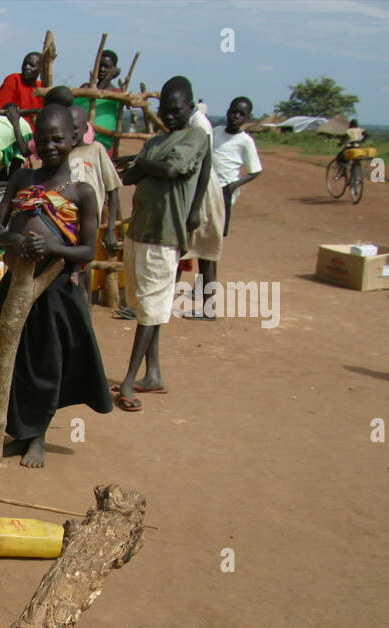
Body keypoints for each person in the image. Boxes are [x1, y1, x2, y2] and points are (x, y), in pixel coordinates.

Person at [0, 103, 111, 468]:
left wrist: (50, 247)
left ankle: (38, 435)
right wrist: (14, 239)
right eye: (43, 139)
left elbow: (87, 248)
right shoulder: (22, 180)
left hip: (54, 288)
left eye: (57, 138)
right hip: (17, 284)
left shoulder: (82, 192)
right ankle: (18, 433)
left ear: (74, 138)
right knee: (11, 358)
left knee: (46, 362)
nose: (50, 145)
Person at [113, 76, 210, 410]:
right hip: (139, 230)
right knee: (146, 306)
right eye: (164, 110)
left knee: (152, 307)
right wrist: (142, 166)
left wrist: (143, 165)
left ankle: (128, 380)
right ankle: (152, 373)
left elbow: (171, 170)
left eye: (176, 110)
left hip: (165, 234)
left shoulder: (196, 136)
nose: (168, 116)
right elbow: (131, 177)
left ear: (190, 107)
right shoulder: (157, 141)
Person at [179, 98, 226, 319]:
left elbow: (204, 165)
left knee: (201, 251)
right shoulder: (193, 121)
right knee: (188, 250)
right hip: (197, 188)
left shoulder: (199, 124)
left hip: (202, 190)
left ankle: (208, 308)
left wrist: (196, 206)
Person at [68, 104, 120, 253]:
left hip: (89, 220)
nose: (71, 133)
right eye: (67, 128)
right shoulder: (61, 154)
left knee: (85, 259)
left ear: (85, 129)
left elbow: (113, 188)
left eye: (75, 128)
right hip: (65, 219)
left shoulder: (96, 150)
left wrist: (110, 228)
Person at [211, 96, 263, 238]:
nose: (236, 117)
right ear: (228, 113)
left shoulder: (245, 141)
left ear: (247, 118)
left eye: (241, 114)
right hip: (209, 185)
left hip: (225, 189)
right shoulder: (216, 131)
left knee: (218, 233)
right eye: (234, 112)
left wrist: (233, 186)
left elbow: (255, 171)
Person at [75, 49, 121, 151]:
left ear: (113, 69)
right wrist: (106, 79)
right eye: (99, 65)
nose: (102, 69)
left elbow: (99, 93)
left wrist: (108, 79)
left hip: (103, 143)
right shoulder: (84, 88)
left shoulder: (116, 93)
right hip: (81, 140)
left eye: (106, 67)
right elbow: (96, 93)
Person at [0, 51, 43, 123]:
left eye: (32, 65)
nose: (27, 67)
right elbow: (1, 108)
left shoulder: (42, 88)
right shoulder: (14, 79)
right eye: (25, 64)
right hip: (12, 126)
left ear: (41, 69)